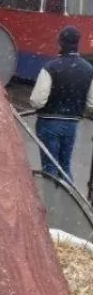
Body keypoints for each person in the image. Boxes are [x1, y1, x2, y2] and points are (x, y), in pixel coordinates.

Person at [30, 26, 93, 183]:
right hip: (72, 124)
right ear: (77, 43)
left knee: (50, 168)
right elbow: (91, 103)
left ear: (60, 42)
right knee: (65, 167)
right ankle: (67, 195)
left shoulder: (51, 67)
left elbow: (37, 100)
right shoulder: (88, 69)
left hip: (48, 123)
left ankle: (50, 197)